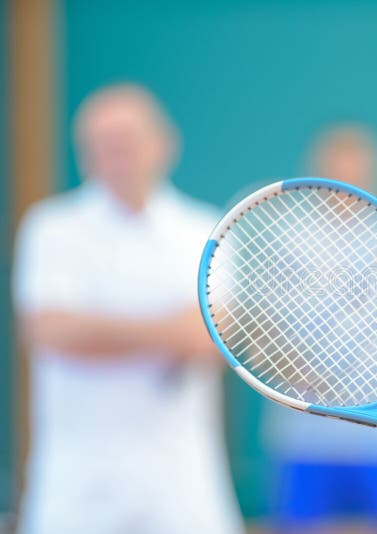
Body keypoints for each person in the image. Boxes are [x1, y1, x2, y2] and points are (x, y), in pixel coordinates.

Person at [13, 84, 244, 534]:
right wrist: (173, 330)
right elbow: (51, 332)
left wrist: (101, 330)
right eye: (102, 144)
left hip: (184, 487)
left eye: (127, 141)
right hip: (76, 490)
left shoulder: (205, 231)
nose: (117, 155)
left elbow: (212, 339)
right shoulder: (50, 228)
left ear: (164, 143)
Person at [265, 123, 377, 534]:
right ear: (318, 167)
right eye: (337, 161)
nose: (347, 173)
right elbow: (262, 332)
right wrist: (291, 367)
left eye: (357, 162)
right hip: (304, 439)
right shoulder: (286, 238)